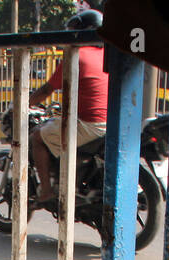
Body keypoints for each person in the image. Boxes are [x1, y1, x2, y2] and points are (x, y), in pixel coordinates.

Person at [28, 3, 108, 207]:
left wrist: (24, 103)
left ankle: (46, 191)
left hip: (89, 125)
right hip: (111, 124)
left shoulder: (76, 56)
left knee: (37, 136)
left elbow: (47, 90)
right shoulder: (107, 55)